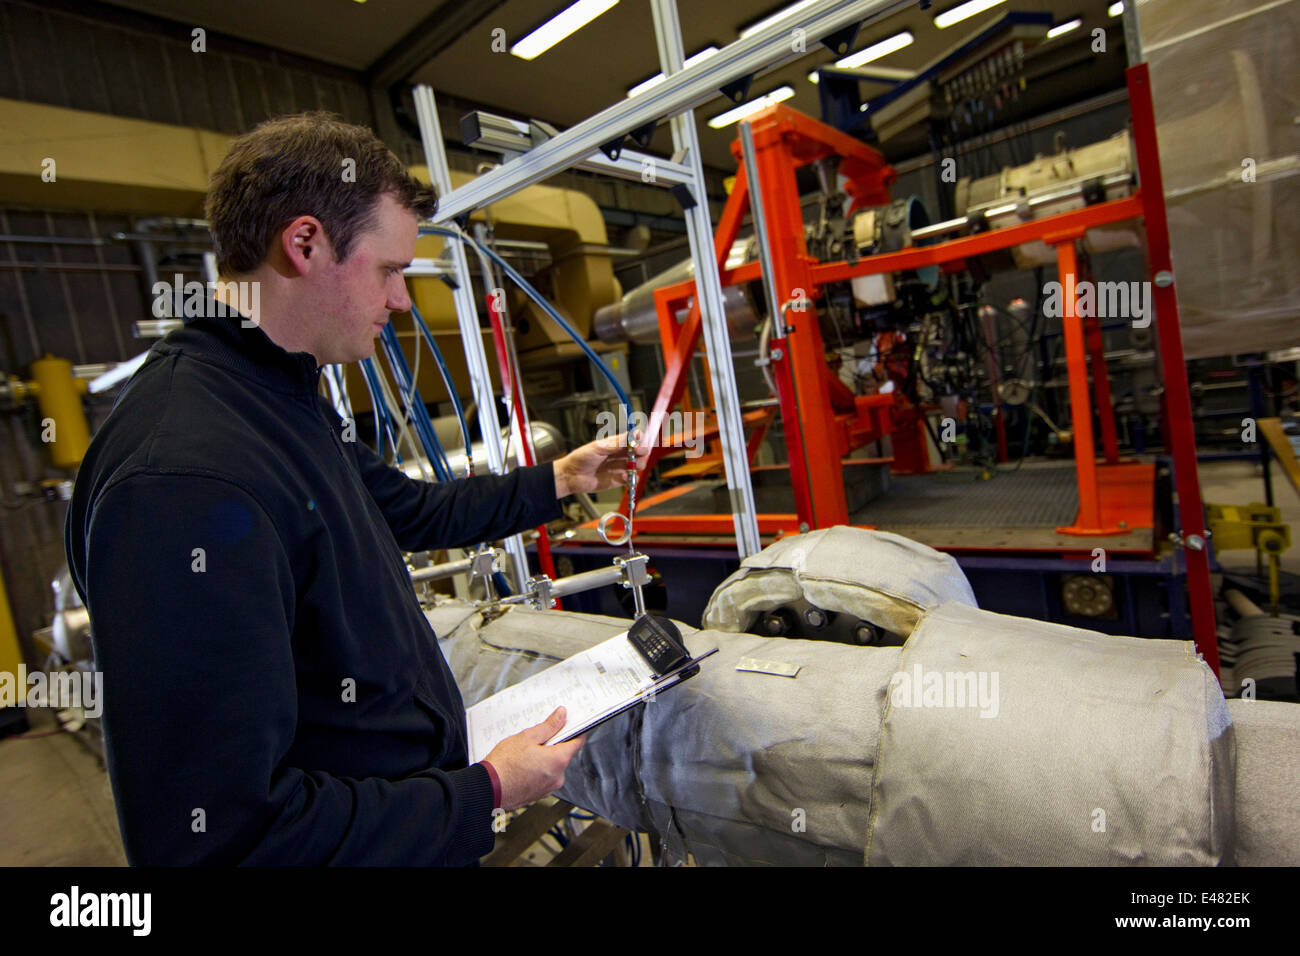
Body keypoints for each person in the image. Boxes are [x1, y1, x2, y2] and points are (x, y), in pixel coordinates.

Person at [64, 112, 647, 865]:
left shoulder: (282, 399)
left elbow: (406, 508)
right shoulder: (182, 480)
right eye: (389, 269)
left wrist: (558, 480)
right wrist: (485, 793)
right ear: (305, 245)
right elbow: (220, 844)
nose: (401, 300)